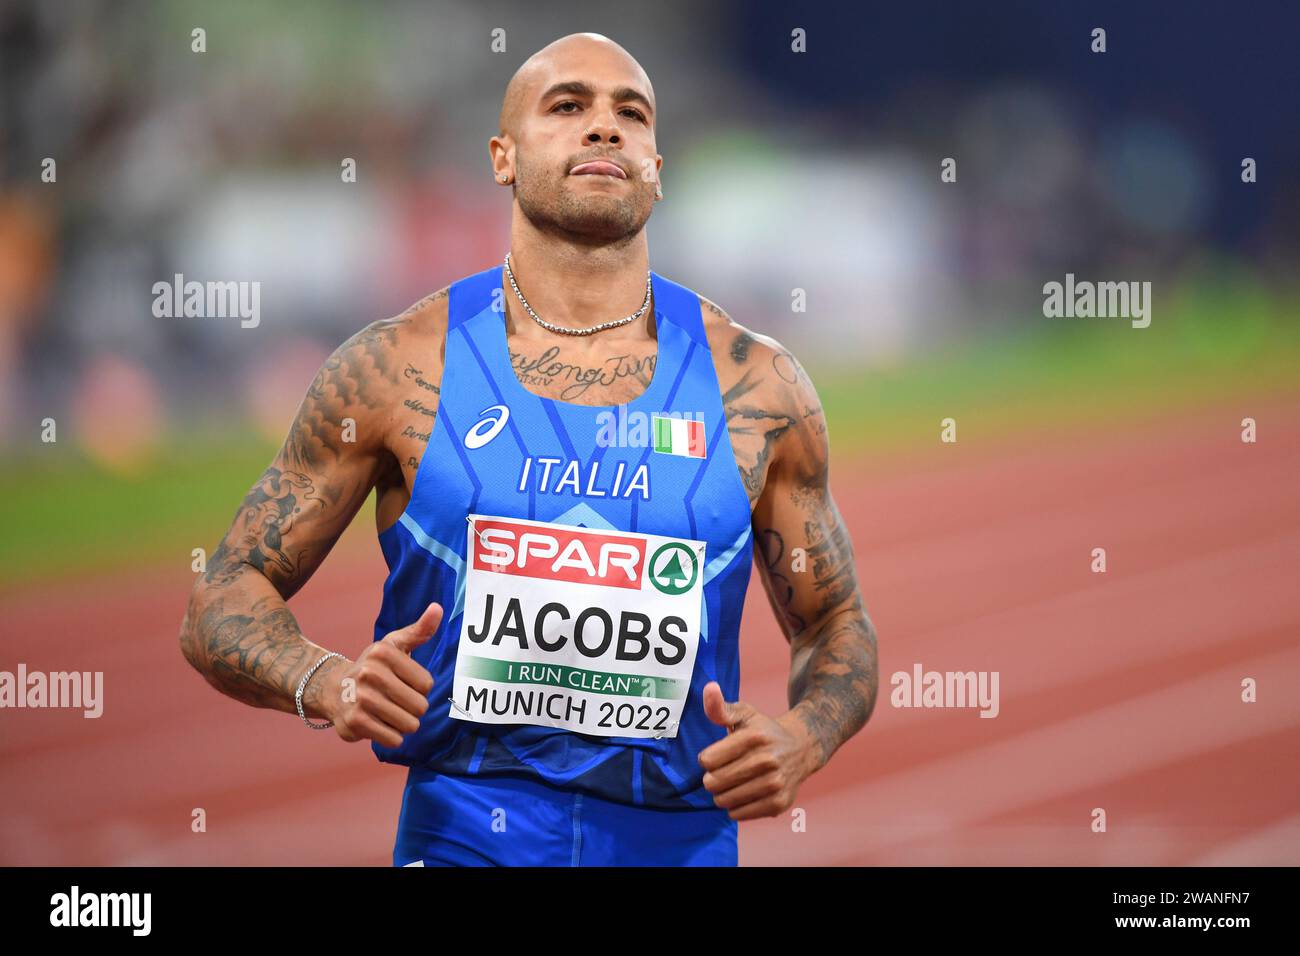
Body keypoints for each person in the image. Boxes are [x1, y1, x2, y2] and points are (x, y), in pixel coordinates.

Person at [179, 31, 878, 866]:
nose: (605, 127)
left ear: (659, 164)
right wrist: (325, 681)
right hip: (465, 832)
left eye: (632, 113)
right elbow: (221, 593)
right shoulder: (399, 367)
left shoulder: (757, 388)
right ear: (502, 157)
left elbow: (837, 621)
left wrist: (807, 735)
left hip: (677, 840)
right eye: (568, 105)